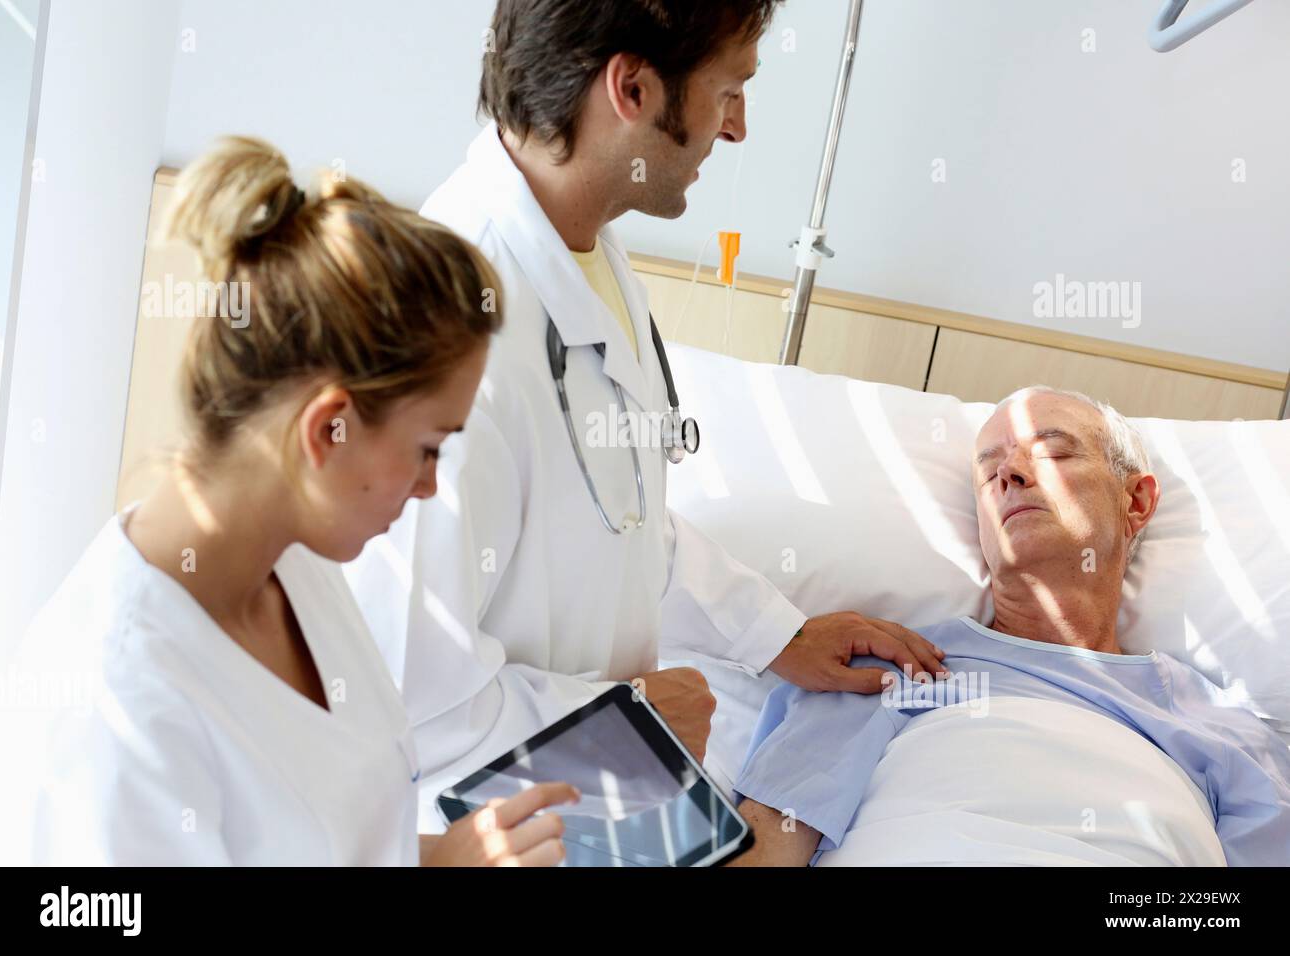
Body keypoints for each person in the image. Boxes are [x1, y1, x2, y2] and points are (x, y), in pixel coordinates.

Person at [346, 0, 948, 830]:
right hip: (467, 829)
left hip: (587, 804)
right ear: (631, 86)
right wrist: (628, 716)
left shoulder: (585, 252)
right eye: (729, 90)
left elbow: (623, 518)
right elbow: (413, 697)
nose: (735, 128)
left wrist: (777, 634)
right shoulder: (450, 333)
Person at [8, 136, 577, 866]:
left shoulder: (297, 569)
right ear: (327, 428)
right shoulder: (112, 712)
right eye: (429, 447)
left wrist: (448, 859)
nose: (431, 485)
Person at [731, 387, 1290, 866]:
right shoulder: (889, 667)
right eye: (988, 471)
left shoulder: (1224, 730)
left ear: (1136, 502)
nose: (1010, 474)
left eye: (1051, 452)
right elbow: (763, 850)